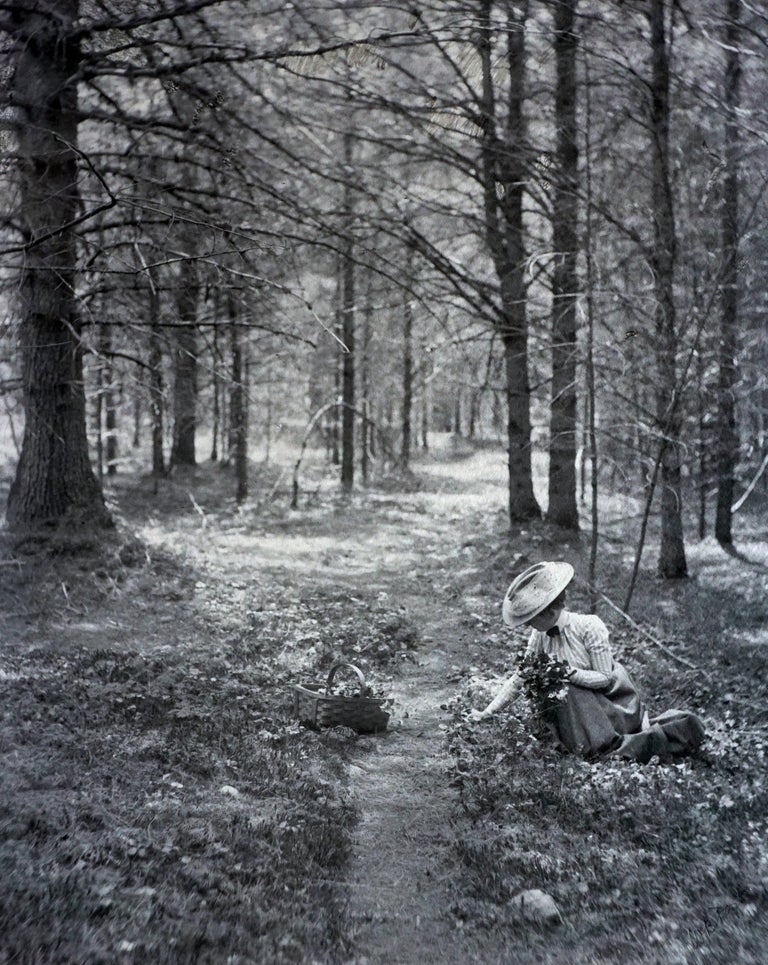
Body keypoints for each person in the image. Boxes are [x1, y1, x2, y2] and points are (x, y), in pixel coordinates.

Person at [469, 561, 705, 763]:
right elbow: (521, 676)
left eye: (531, 620)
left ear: (549, 612)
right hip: (577, 713)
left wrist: (566, 672)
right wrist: (487, 712)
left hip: (612, 705)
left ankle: (601, 744)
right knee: (554, 688)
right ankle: (576, 743)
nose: (529, 626)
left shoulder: (589, 627)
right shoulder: (540, 634)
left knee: (564, 687)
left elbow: (605, 680)